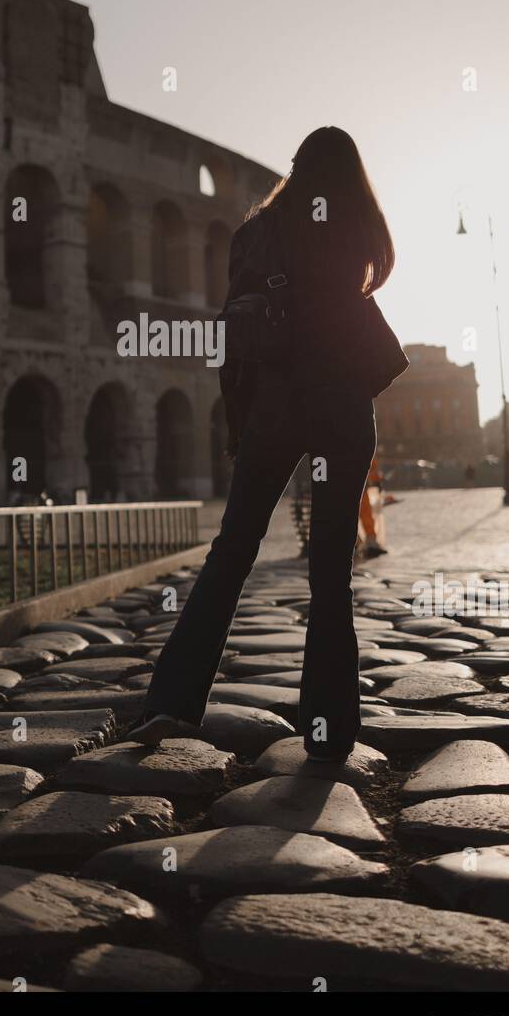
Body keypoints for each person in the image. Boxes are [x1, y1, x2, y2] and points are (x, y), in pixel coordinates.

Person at [129, 126, 408, 762]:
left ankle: (171, 702)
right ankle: (329, 731)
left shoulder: (256, 231)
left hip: (275, 405)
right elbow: (368, 282)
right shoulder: (355, 223)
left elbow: (234, 342)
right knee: (331, 570)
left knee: (231, 552)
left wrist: (239, 424)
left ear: (294, 167)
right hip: (341, 405)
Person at [358, 454, 388, 558]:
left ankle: (361, 542)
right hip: (358, 484)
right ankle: (367, 541)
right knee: (365, 512)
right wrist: (377, 481)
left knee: (364, 512)